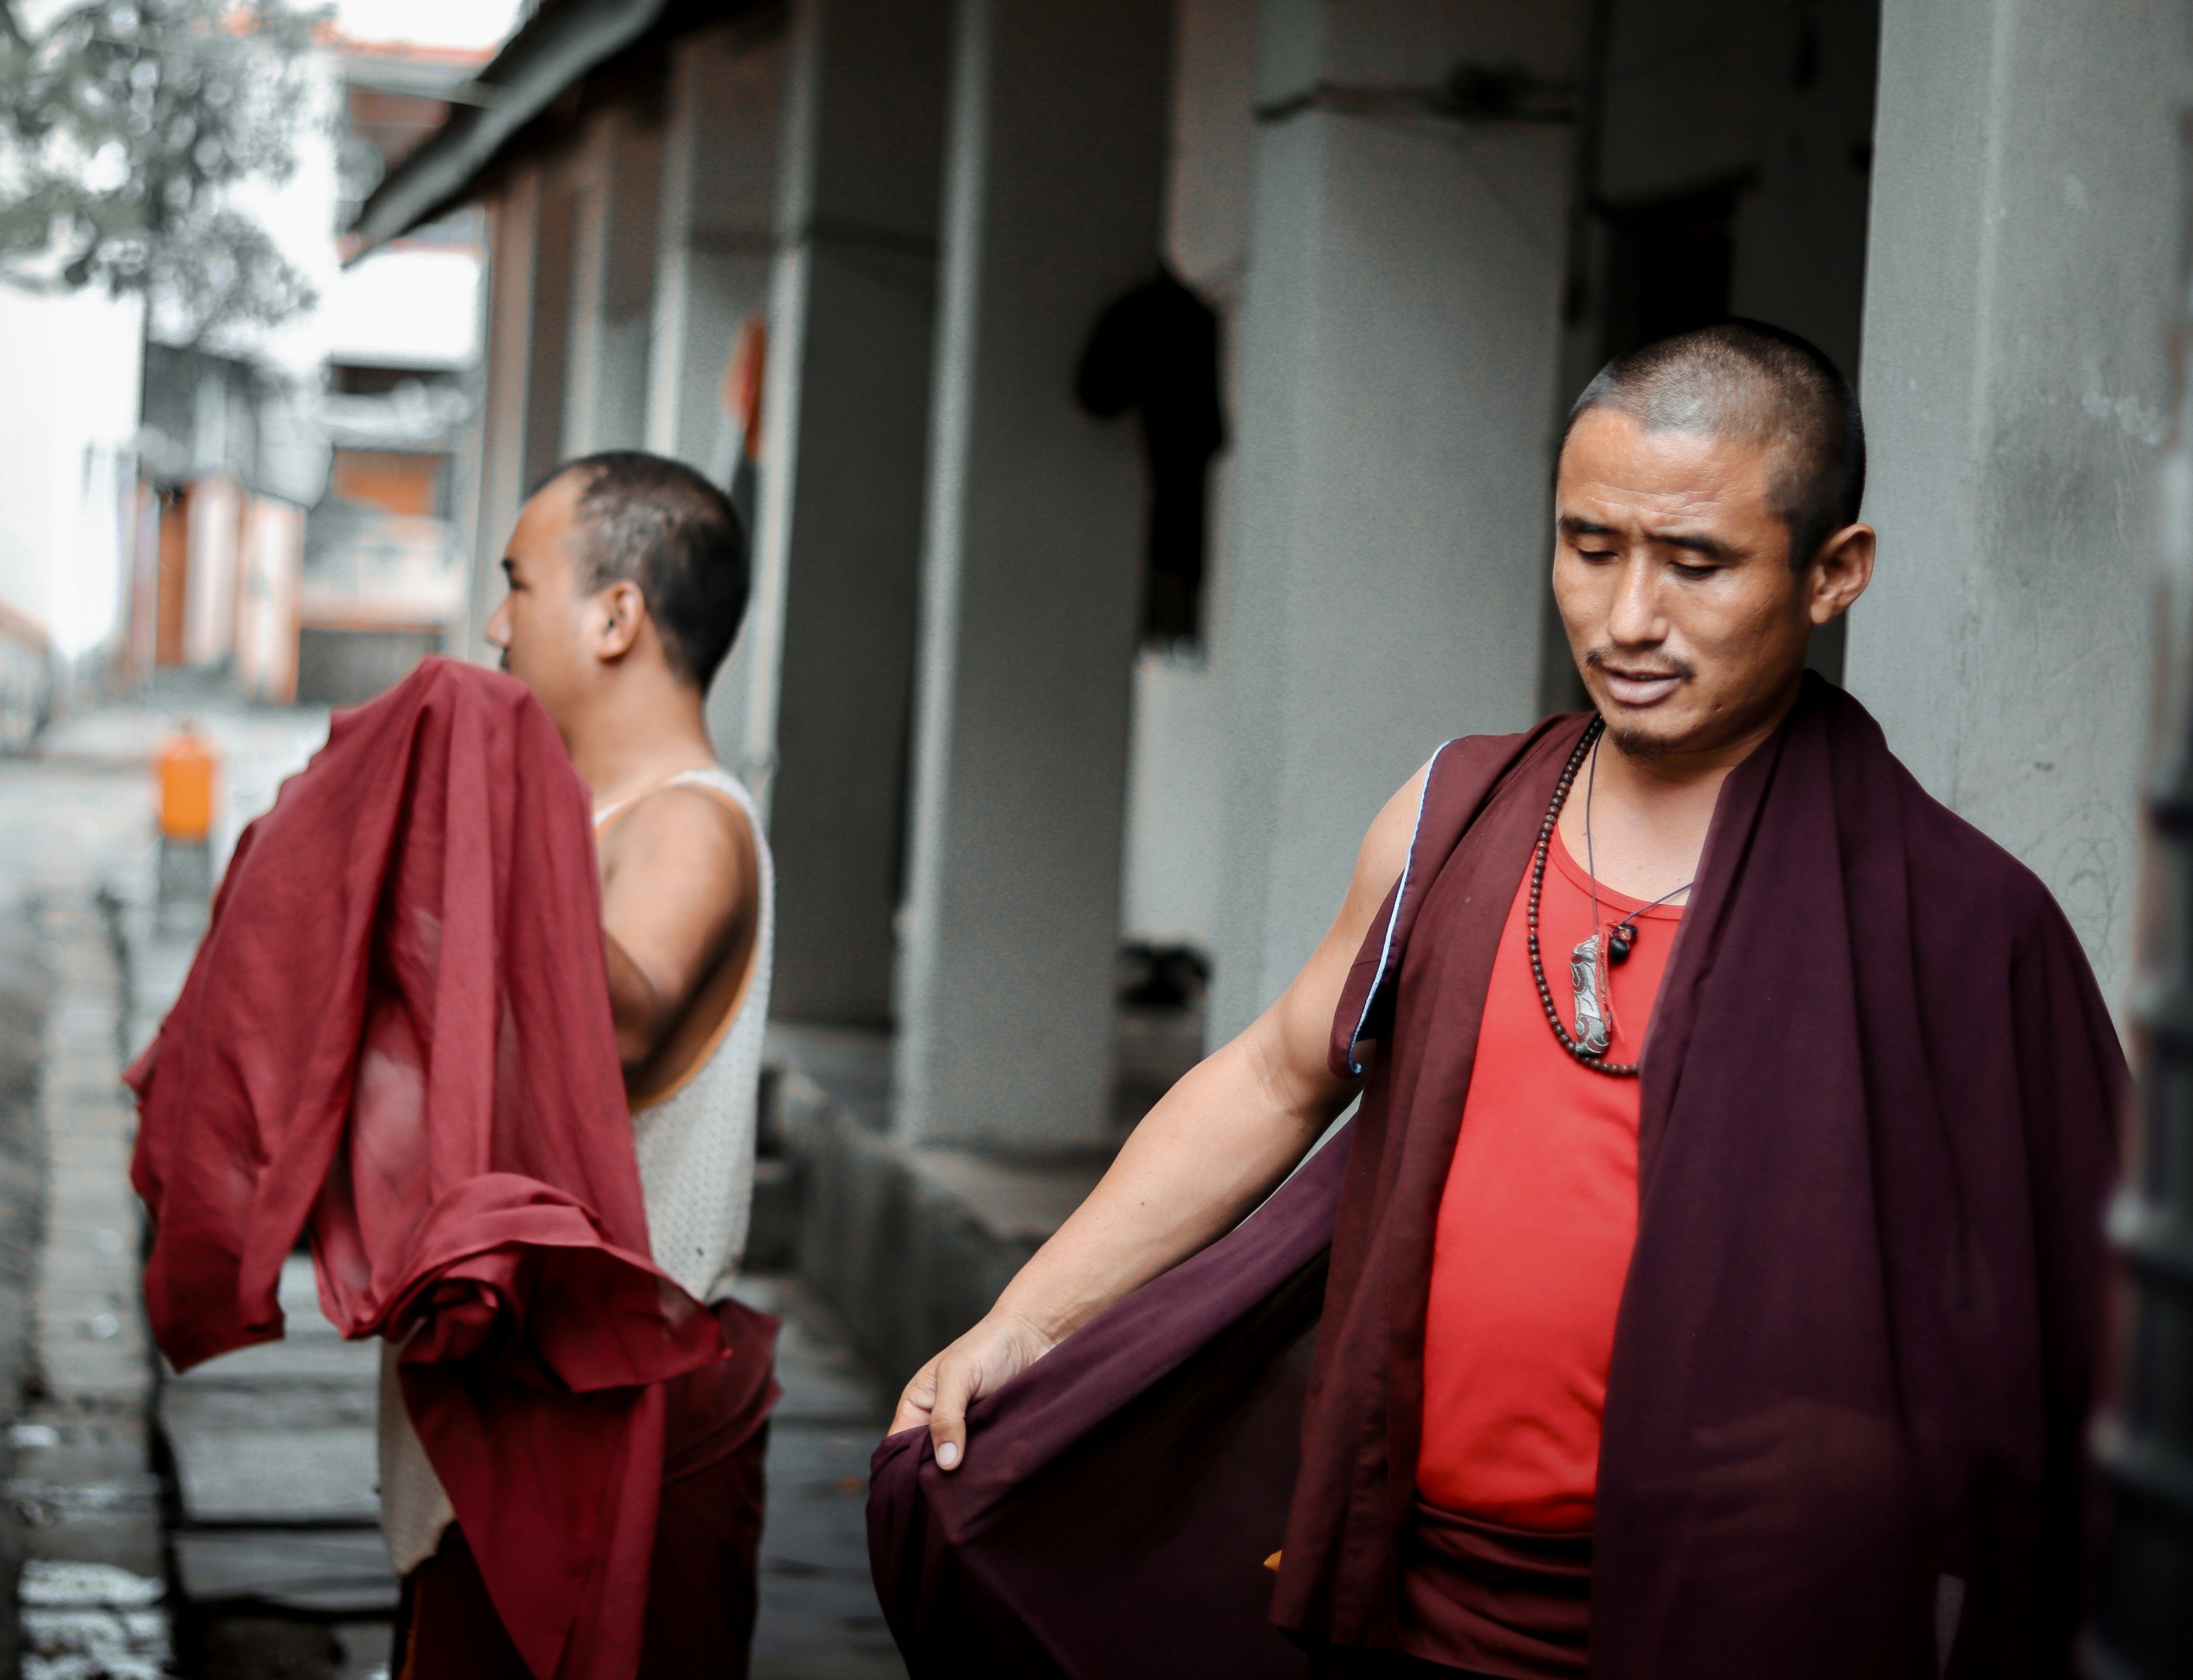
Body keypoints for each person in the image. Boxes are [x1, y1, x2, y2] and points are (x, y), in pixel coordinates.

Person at [880, 321, 2124, 1677]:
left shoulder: (1954, 921)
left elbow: (2085, 1327)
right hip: (1414, 1585)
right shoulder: (1460, 816)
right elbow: (1273, 1077)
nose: (1628, 617)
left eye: (1695, 563)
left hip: (1756, 1617)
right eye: (1591, 548)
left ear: (1836, 574)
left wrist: (1884, 1453)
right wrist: (1031, 1319)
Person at [382, 449, 779, 1677]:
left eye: (518, 583)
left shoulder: (692, 821)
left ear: (617, 614)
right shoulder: (582, 811)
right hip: (504, 1393)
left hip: (613, 1408)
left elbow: (617, 1021)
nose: (496, 623)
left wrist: (466, 844)